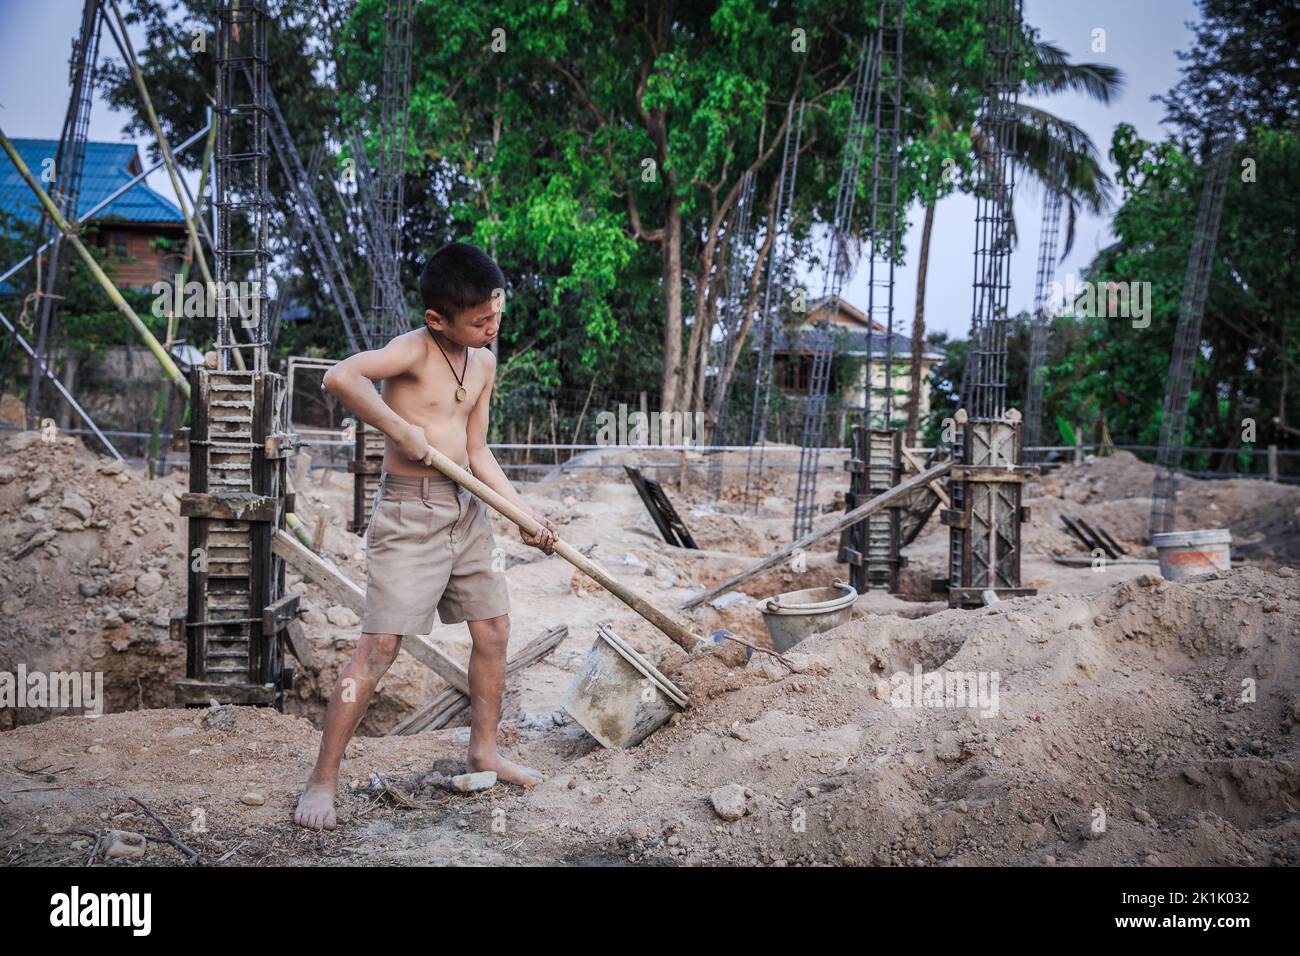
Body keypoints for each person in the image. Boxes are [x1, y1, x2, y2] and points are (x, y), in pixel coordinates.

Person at [294, 242, 557, 830]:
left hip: (468, 508)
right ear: (439, 319)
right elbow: (341, 377)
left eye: (497, 315)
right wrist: (400, 427)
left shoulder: (483, 361)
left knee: (493, 629)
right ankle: (323, 779)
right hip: (409, 515)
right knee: (381, 646)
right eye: (480, 321)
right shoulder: (410, 350)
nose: (493, 327)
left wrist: (521, 513)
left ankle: (483, 750)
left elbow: (477, 450)